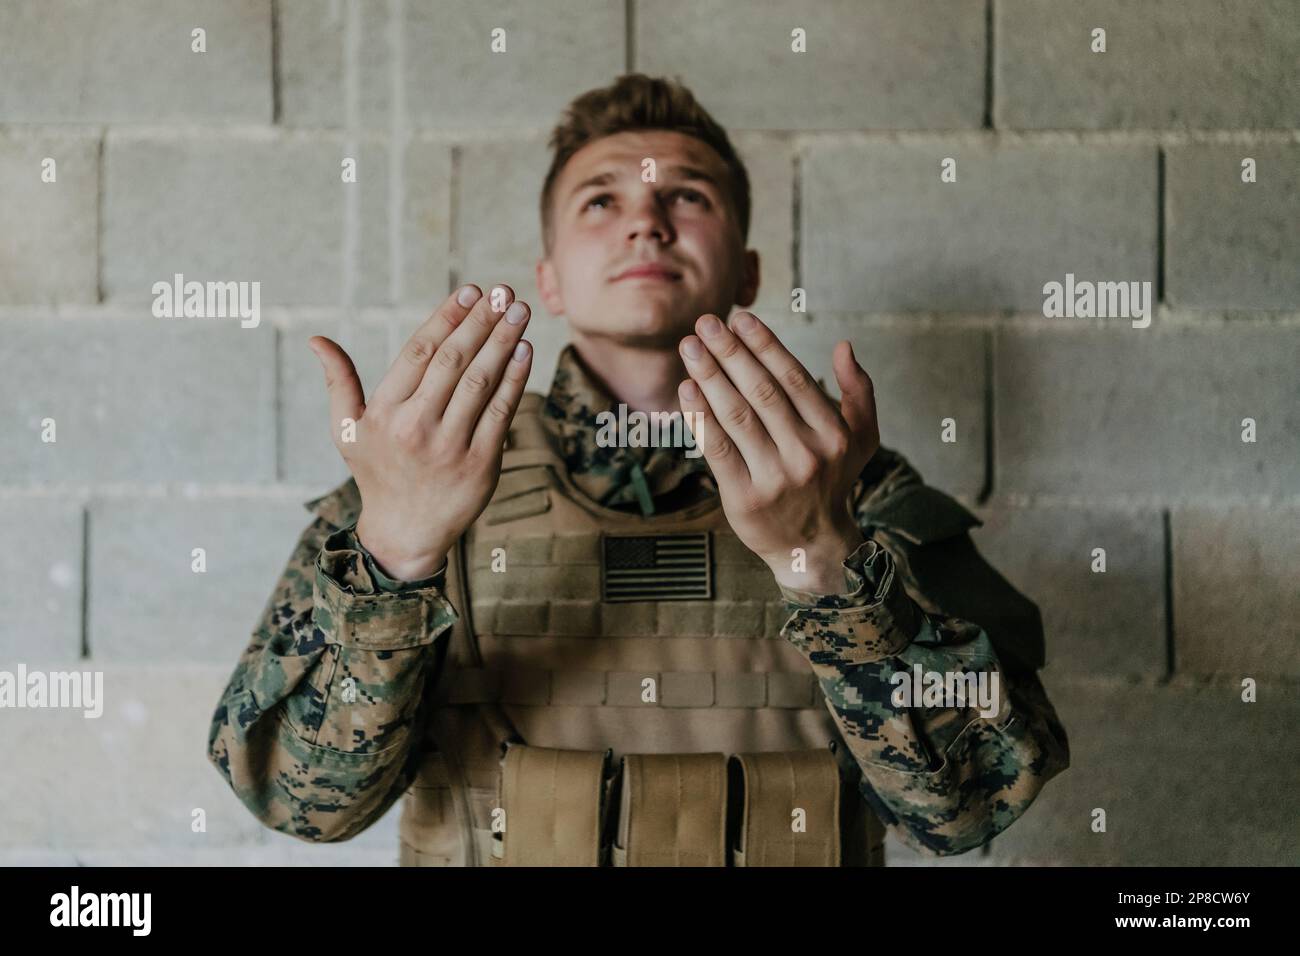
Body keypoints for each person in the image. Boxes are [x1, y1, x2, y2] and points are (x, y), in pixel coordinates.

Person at [208, 73, 1069, 866]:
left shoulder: (856, 488)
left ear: (749, 270)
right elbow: (299, 804)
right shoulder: (416, 482)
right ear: (551, 280)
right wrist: (395, 553)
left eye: (686, 197)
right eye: (601, 200)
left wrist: (826, 559)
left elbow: (974, 804)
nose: (645, 222)